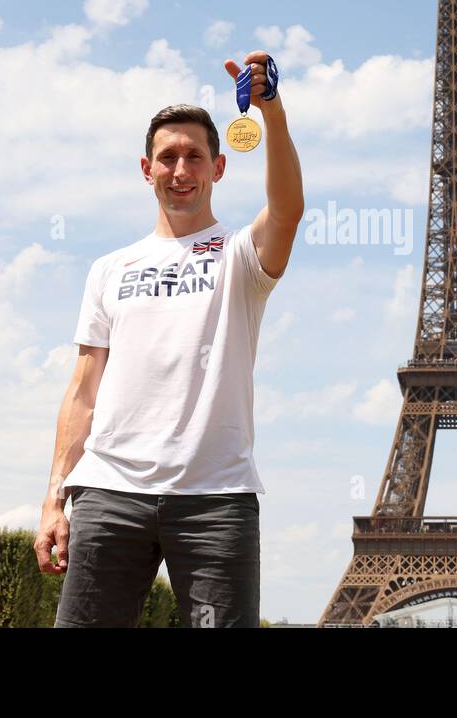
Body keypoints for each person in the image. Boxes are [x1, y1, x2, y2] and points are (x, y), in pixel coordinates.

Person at [34, 51, 304, 627]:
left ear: (219, 168)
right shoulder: (109, 268)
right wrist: (56, 495)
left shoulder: (239, 256)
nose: (180, 169)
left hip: (215, 494)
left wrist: (272, 114)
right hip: (109, 488)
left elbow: (287, 209)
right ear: (146, 168)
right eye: (168, 157)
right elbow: (83, 392)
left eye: (194, 157)